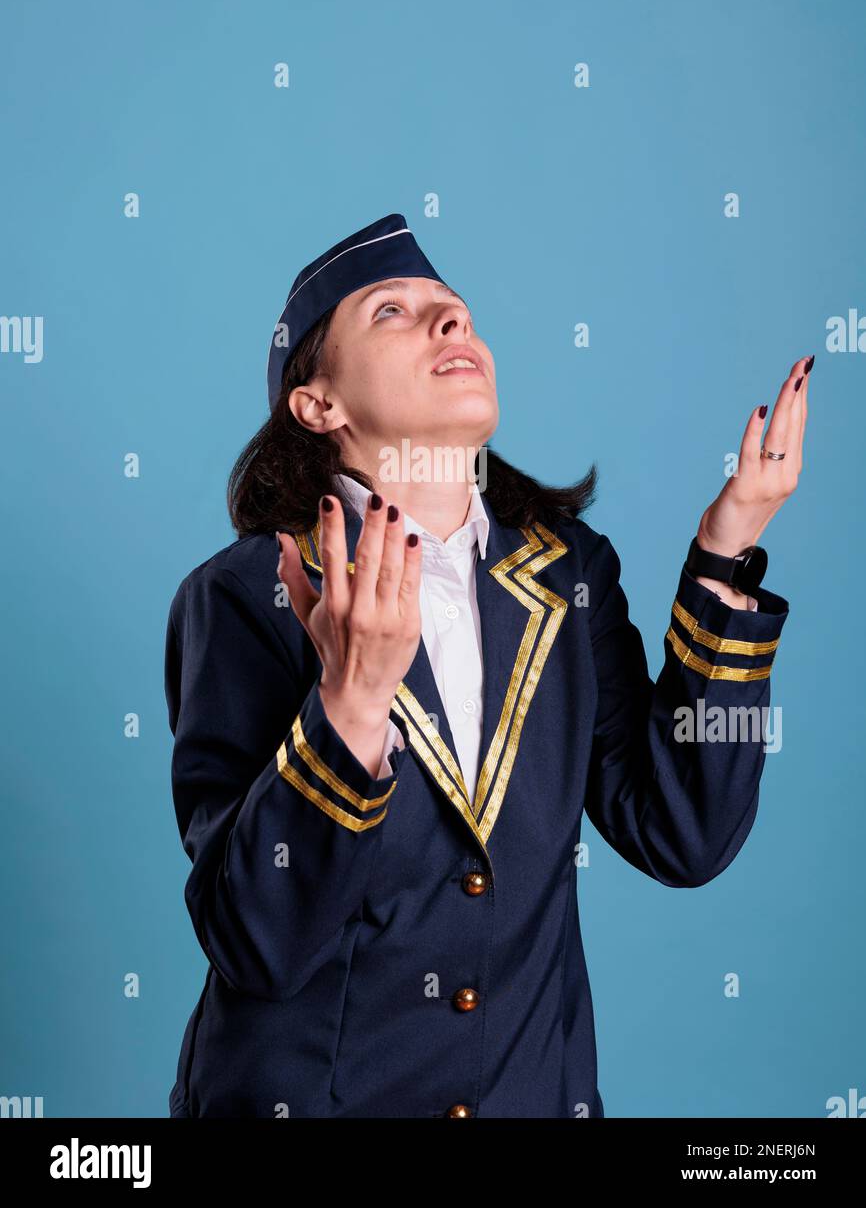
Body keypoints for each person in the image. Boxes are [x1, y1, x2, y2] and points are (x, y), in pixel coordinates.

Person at [165, 213, 810, 1118]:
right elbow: (256, 941)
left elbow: (683, 832)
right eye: (394, 311)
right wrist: (351, 700)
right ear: (318, 404)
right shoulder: (244, 597)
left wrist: (724, 557)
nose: (450, 324)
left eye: (456, 312)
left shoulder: (569, 573)